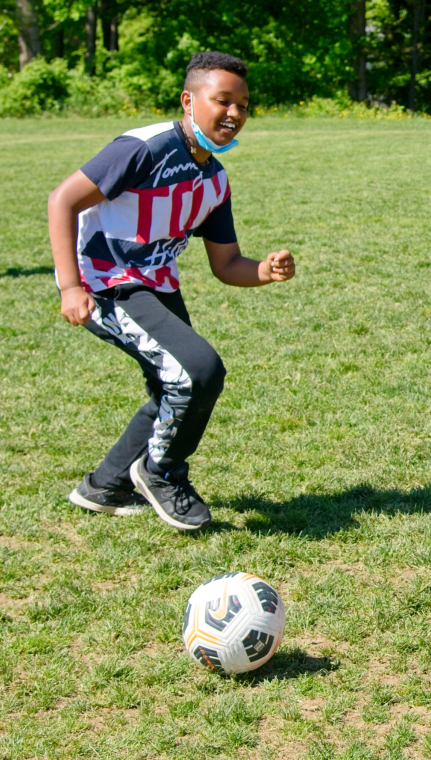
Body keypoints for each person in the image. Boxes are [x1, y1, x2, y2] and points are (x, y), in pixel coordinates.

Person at [48, 51, 295, 531]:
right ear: (188, 100)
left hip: (157, 284)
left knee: (171, 387)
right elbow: (63, 200)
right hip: (107, 284)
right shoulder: (143, 149)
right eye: (222, 101)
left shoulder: (213, 177)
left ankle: (105, 485)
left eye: (243, 105)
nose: (235, 114)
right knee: (200, 371)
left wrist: (264, 270)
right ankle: (162, 473)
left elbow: (226, 264)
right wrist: (70, 286)